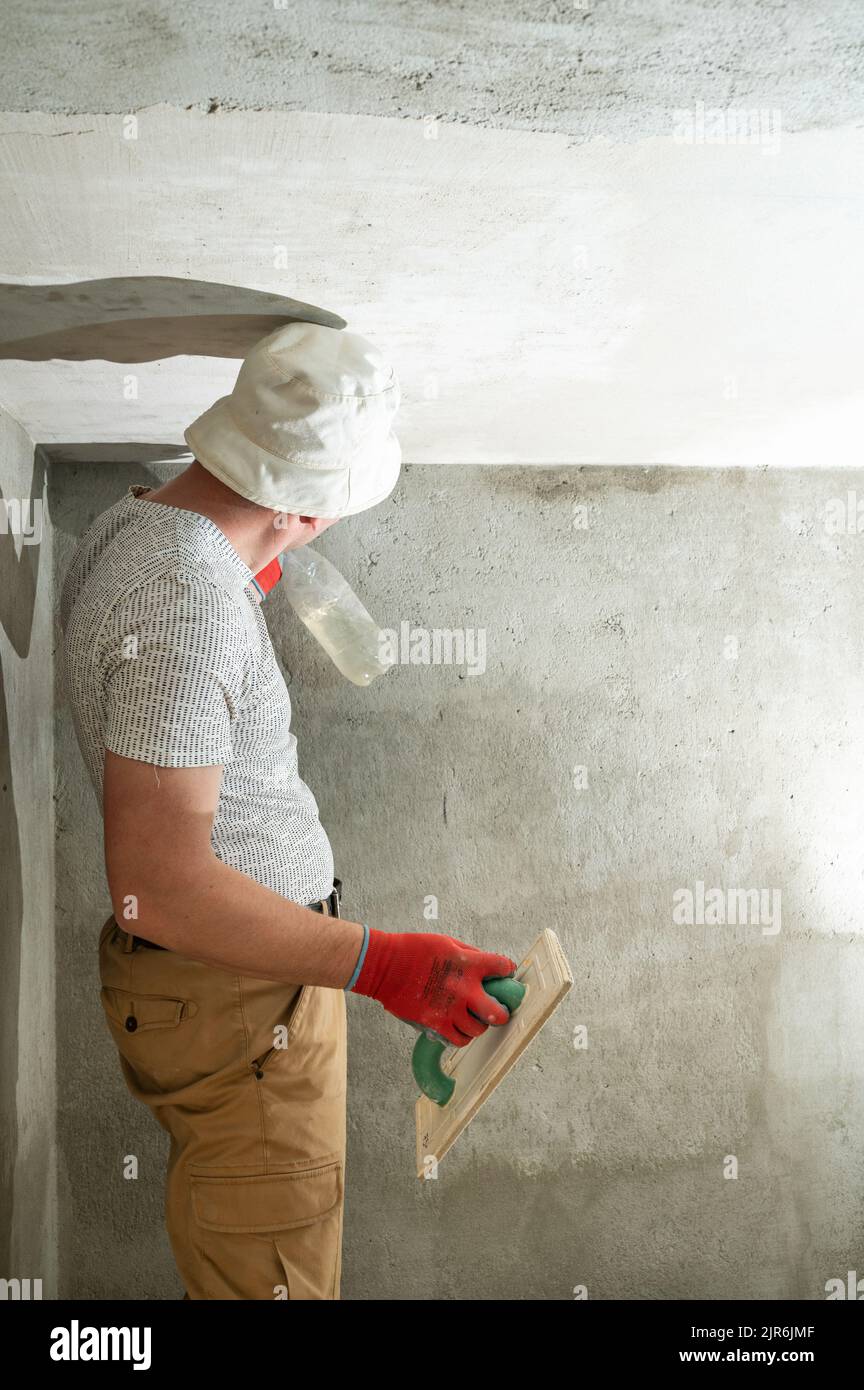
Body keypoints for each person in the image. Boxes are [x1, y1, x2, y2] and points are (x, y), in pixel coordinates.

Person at [60, 322, 516, 1300]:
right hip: (240, 994)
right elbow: (157, 887)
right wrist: (384, 964)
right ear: (305, 508)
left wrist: (249, 569)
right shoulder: (186, 599)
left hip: (231, 987)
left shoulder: (136, 526)